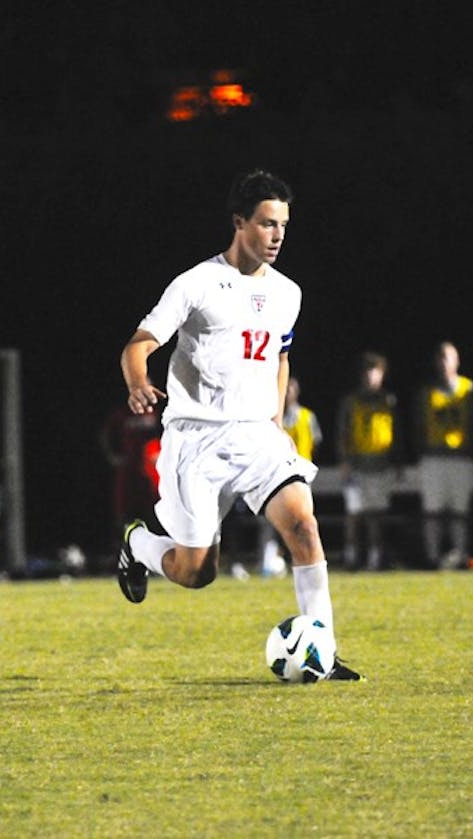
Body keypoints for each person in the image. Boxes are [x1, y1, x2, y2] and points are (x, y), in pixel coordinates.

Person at [116, 168, 362, 680]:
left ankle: (324, 650)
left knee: (304, 527)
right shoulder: (197, 283)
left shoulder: (288, 293)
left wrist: (274, 420)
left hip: (255, 436)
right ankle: (138, 544)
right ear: (239, 223)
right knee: (196, 572)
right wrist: (139, 381)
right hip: (196, 440)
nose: (277, 236)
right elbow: (138, 344)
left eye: (284, 225)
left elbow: (280, 357)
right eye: (268, 224)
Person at [413, 341, 473, 569]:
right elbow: (419, 424)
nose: (444, 363)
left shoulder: (468, 390)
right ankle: (432, 556)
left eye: (448, 357)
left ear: (457, 361)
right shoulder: (427, 392)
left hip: (460, 458)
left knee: (459, 511)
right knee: (433, 510)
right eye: (440, 358)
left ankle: (460, 554)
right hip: (434, 458)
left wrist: (470, 450)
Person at [335, 351, 400, 571]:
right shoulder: (351, 401)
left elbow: (396, 432)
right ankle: (351, 557)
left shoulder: (388, 401)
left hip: (381, 465)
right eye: (369, 372)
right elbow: (343, 432)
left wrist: (396, 460)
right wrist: (344, 460)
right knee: (354, 514)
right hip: (357, 465)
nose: (372, 377)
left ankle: (374, 559)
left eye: (377, 372)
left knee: (376, 515)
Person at [257, 374, 324, 577]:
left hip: (299, 477)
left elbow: (317, 443)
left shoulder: (306, 416)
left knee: (303, 523)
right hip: (273, 476)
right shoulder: (265, 418)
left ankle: (301, 564)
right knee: (271, 522)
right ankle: (269, 560)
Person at [100, 402, 162, 538]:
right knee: (124, 509)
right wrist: (113, 456)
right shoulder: (122, 412)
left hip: (151, 468)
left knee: (156, 507)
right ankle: (120, 547)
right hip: (129, 469)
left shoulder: (155, 410)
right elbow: (106, 433)